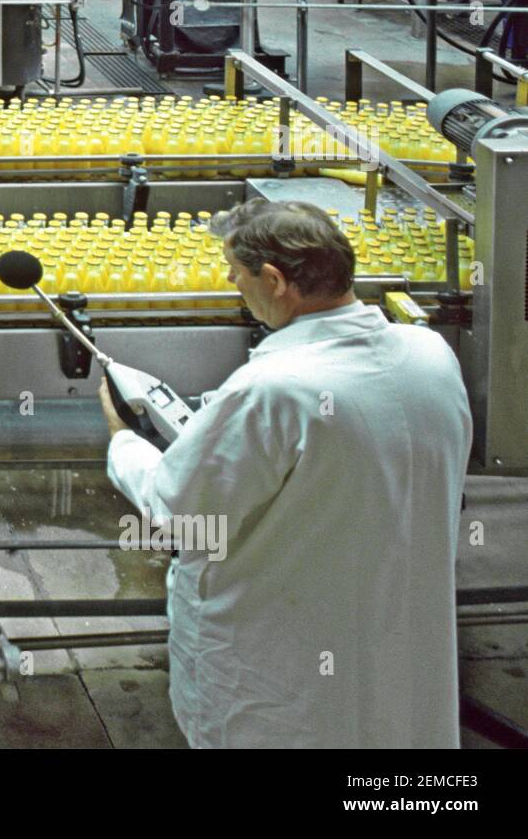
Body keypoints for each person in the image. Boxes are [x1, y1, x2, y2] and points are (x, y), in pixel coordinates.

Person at [99, 199, 472, 748]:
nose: (233, 285)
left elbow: (180, 516)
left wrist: (124, 439)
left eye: (236, 273)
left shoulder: (272, 388)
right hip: (394, 638)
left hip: (280, 669)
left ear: (274, 280)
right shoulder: (429, 353)